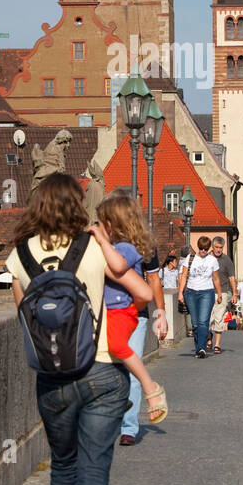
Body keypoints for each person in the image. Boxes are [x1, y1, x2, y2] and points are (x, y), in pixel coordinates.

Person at [5, 173, 155, 485]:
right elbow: (143, 293)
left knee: (62, 468)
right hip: (101, 370)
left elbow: (24, 318)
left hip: (51, 376)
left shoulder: (19, 256)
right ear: (77, 205)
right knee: (93, 472)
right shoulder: (92, 247)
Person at [96, 191, 169, 446]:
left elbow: (154, 280)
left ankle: (129, 427)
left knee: (131, 365)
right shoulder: (107, 246)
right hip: (108, 313)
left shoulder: (142, 248)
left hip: (135, 315)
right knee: (111, 369)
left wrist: (160, 312)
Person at [178, 236, 222, 358]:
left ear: (209, 249)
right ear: (198, 247)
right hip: (191, 293)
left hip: (206, 293)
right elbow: (184, 275)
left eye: (205, 249)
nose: (203, 251)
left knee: (203, 322)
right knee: (195, 323)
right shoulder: (190, 258)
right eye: (201, 248)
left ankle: (202, 348)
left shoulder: (212, 260)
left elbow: (216, 278)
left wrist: (219, 294)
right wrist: (180, 292)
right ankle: (199, 347)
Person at [209, 237, 237, 355]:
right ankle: (209, 337)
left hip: (223, 292)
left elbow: (231, 278)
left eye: (221, 248)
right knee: (208, 318)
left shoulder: (226, 260)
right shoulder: (207, 259)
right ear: (212, 246)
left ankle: (217, 345)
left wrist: (234, 294)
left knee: (219, 318)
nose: (219, 250)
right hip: (208, 292)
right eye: (216, 247)